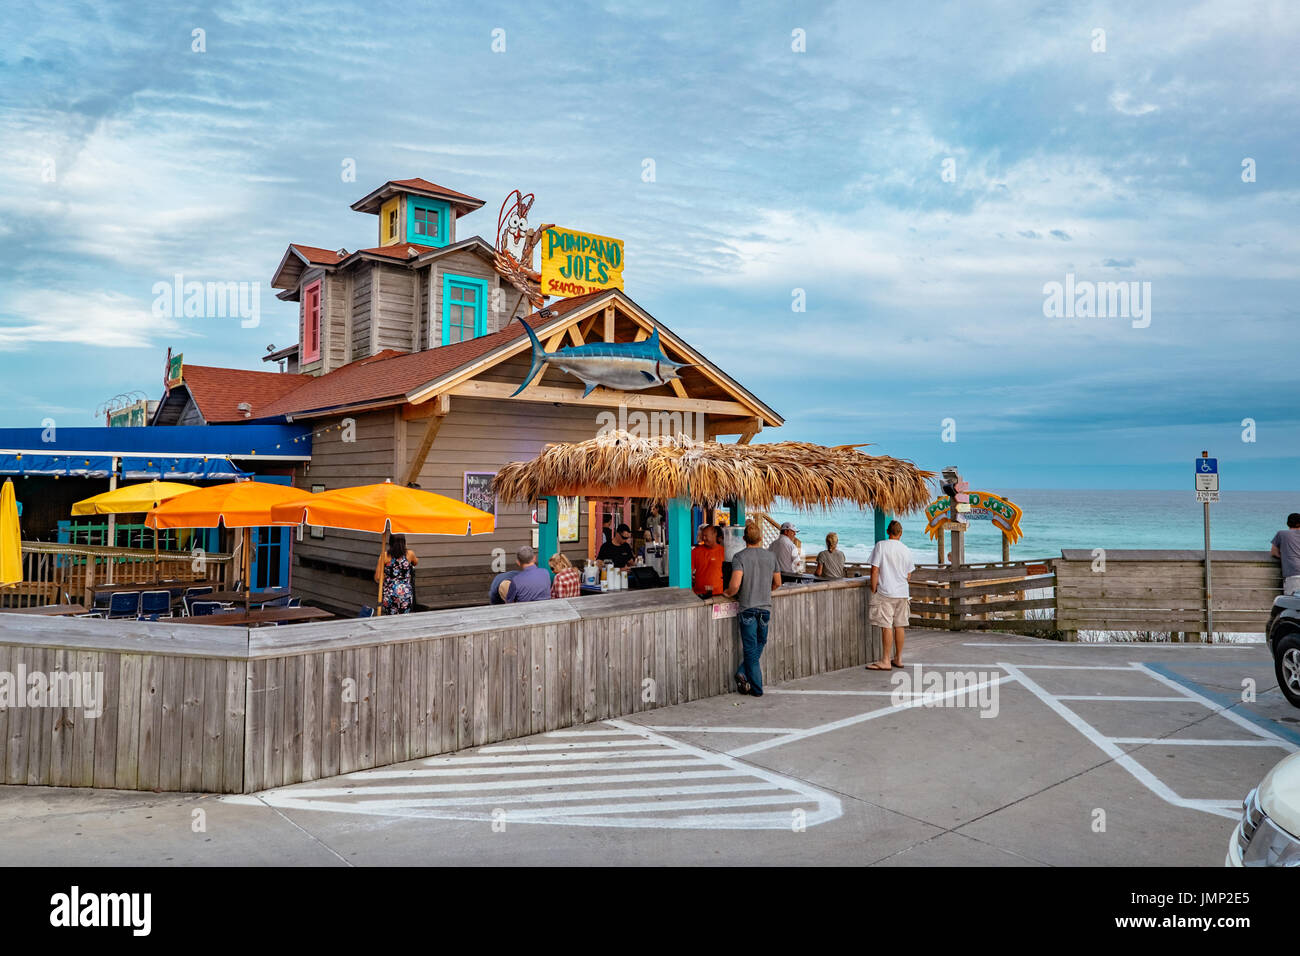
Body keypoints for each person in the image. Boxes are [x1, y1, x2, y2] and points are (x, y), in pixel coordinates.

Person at [724, 520, 782, 696]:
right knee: (760, 642)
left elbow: (735, 585)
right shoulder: (771, 556)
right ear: (761, 537)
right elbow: (778, 583)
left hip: (747, 607)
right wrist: (764, 590)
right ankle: (743, 674)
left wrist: (727, 593)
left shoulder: (739, 557)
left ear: (744, 538)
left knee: (750, 648)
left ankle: (756, 688)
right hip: (765, 608)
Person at [866, 520, 914, 670]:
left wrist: (873, 589)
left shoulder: (881, 545)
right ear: (900, 533)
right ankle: (898, 658)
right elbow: (908, 575)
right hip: (902, 592)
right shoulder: (906, 549)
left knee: (886, 625)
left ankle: (886, 660)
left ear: (888, 532)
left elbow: (874, 570)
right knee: (900, 626)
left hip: (886, 591)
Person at [374, 533, 419, 615]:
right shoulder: (410, 554)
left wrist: (386, 576)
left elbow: (377, 577)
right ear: (404, 542)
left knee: (390, 618)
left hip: (390, 593)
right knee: (404, 618)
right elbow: (415, 562)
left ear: (390, 542)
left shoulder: (384, 556)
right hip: (405, 593)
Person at [691, 524, 725, 597]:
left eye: (706, 536)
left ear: (714, 534)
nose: (704, 538)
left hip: (719, 595)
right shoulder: (695, 551)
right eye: (702, 536)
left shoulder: (723, 552)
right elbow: (688, 572)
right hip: (699, 595)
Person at [1272, 513, 1300, 596]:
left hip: (1293, 573)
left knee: (1292, 602)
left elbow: (1274, 552)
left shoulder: (1282, 534)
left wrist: (1285, 556)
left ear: (1287, 523)